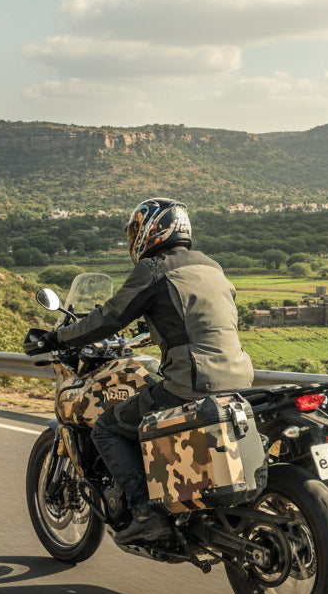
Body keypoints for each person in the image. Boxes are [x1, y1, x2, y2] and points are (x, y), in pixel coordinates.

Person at [27, 198, 254, 543]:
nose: (134, 238)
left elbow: (110, 317)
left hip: (191, 382)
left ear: (153, 229)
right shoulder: (211, 266)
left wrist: (57, 336)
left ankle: (146, 514)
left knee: (106, 427)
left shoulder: (155, 269)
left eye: (135, 230)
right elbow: (192, 322)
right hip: (239, 380)